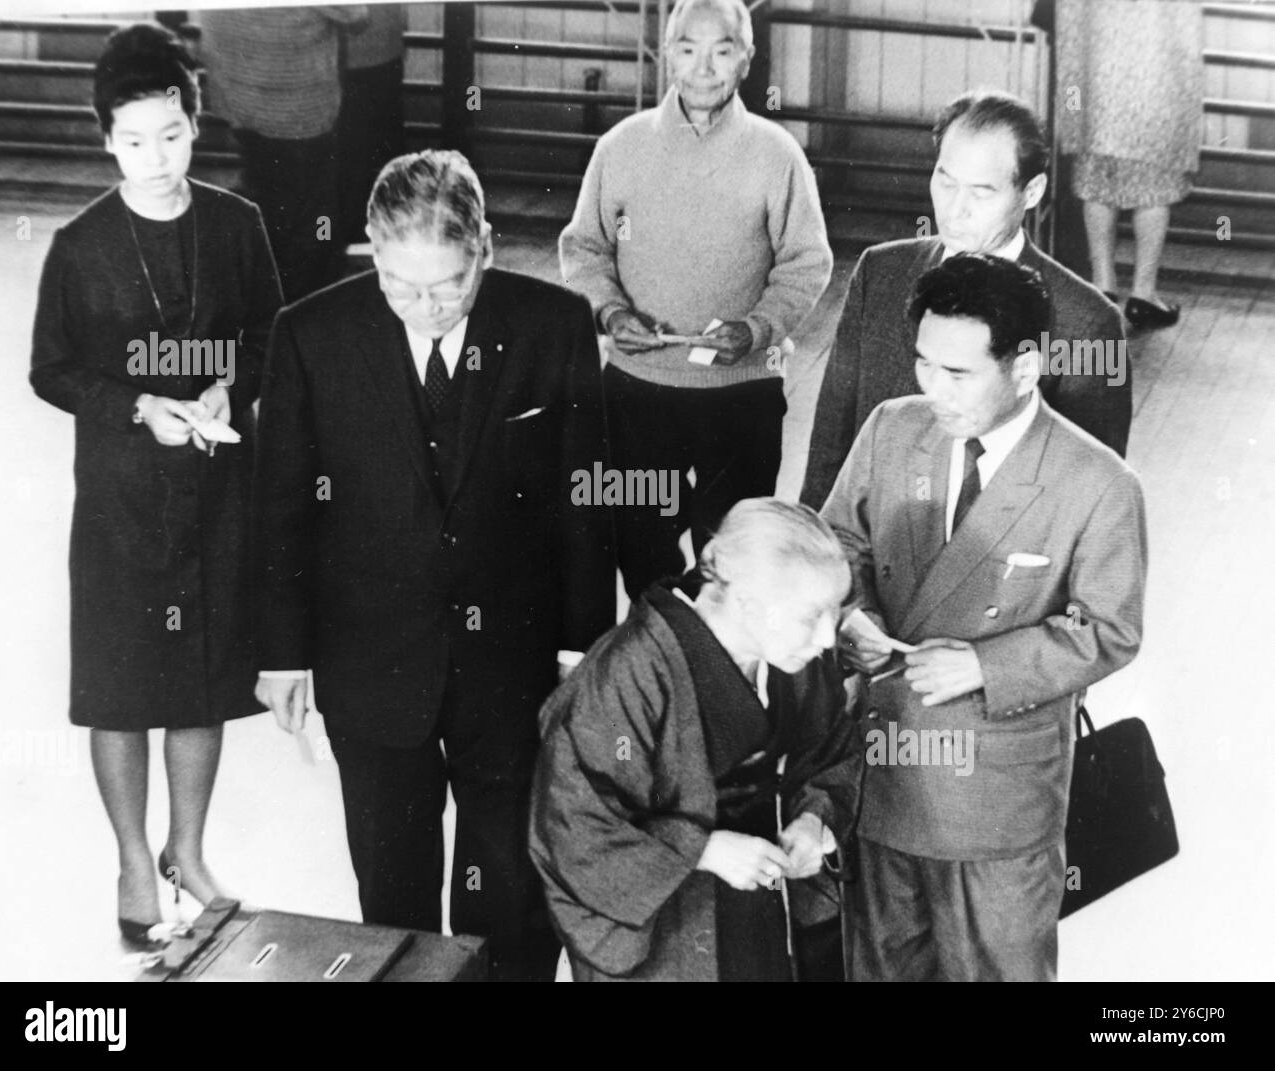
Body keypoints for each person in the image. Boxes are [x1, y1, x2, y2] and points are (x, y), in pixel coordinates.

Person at [252, 150, 616, 982]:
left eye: (448, 285)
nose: (425, 308)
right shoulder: (309, 334)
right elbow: (280, 509)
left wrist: (580, 644)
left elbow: (582, 496)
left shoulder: (553, 324)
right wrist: (281, 652)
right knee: (391, 882)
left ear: (484, 247)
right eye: (399, 285)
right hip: (369, 662)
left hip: (514, 664)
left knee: (514, 885)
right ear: (371, 251)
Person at [821, 254, 1147, 981]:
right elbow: (839, 541)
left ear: (1026, 368)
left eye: (958, 374)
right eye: (922, 364)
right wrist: (854, 615)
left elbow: (1110, 629)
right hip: (884, 768)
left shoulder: (1097, 483)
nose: (930, 388)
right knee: (881, 968)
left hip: (996, 794)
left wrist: (983, 664)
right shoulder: (889, 428)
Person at [28, 23, 284, 947]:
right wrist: (138, 403)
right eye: (133, 141)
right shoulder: (80, 243)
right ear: (106, 139)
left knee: (204, 681)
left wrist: (226, 387)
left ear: (195, 121)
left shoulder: (238, 224)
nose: (156, 158)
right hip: (121, 507)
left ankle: (190, 848)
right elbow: (50, 371)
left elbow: (268, 336)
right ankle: (136, 862)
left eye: (171, 135)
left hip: (218, 495)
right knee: (121, 687)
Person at [559, 0, 833, 598]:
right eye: (688, 48)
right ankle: (661, 658)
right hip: (637, 393)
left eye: (723, 50)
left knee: (734, 557)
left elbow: (807, 262)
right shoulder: (620, 147)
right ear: (666, 55)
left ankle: (718, 672)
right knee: (637, 545)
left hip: (741, 396)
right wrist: (608, 313)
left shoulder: (777, 154)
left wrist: (759, 328)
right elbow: (584, 251)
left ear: (746, 59)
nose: (704, 68)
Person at [530, 498, 864, 982]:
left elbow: (829, 748)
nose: (830, 638)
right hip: (663, 921)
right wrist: (701, 850)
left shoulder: (793, 659)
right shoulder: (627, 673)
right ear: (747, 601)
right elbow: (571, 822)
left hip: (756, 897)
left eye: (836, 612)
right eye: (812, 615)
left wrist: (815, 818)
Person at [801, 89, 1129, 510]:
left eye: (982, 192)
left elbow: (1092, 488)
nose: (956, 209)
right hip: (874, 548)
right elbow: (833, 436)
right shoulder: (878, 274)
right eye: (946, 181)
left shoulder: (1090, 323)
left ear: (1031, 192)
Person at [198, 4, 368, 303]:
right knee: (314, 219)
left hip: (237, 96)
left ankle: (259, 304)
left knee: (264, 199)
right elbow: (356, 15)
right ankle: (303, 310)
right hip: (299, 109)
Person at [1055, 0, 1204, 330]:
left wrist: (1072, 103)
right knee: (1154, 187)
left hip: (1092, 84)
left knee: (1096, 181)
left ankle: (1102, 285)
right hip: (1155, 83)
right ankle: (1143, 293)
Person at [337, 4, 407, 248]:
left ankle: (353, 237)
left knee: (348, 155)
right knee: (378, 150)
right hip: (380, 48)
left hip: (341, 56)